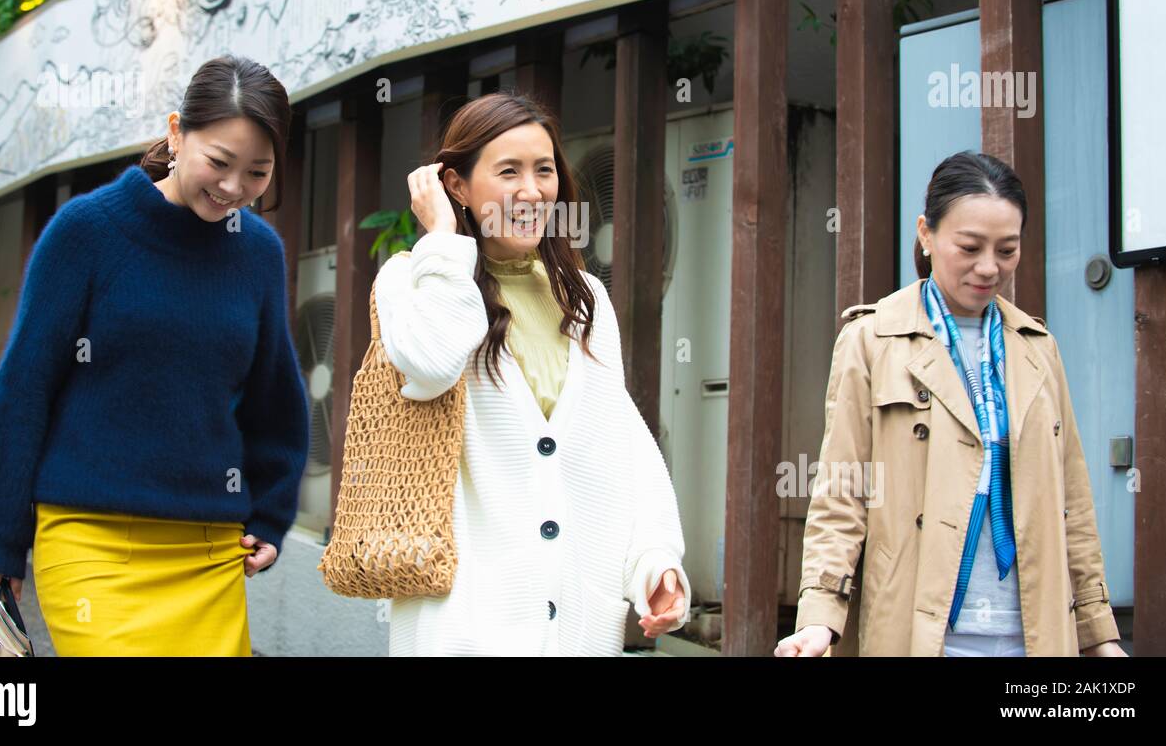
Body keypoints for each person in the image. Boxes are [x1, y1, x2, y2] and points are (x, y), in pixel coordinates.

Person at [0, 54, 310, 656]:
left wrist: (270, 512)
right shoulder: (87, 231)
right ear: (177, 132)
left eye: (258, 173)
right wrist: (0, 537)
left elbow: (275, 399)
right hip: (89, 540)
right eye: (219, 163)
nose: (233, 189)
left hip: (208, 551)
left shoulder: (258, 253)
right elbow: (23, 389)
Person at [372, 91, 690, 655]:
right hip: (462, 621)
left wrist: (654, 559)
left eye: (544, 170)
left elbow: (618, 437)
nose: (531, 190)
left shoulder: (585, 296)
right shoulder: (413, 280)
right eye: (508, 171)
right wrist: (443, 242)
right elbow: (430, 365)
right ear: (457, 186)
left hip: (575, 624)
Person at [775, 151, 1125, 657]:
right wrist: (820, 617)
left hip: (1036, 637)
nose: (990, 268)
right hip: (920, 634)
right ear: (926, 233)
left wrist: (1097, 632)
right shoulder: (873, 339)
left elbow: (1073, 501)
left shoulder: (1038, 347)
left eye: (1008, 250)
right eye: (970, 247)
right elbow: (842, 493)